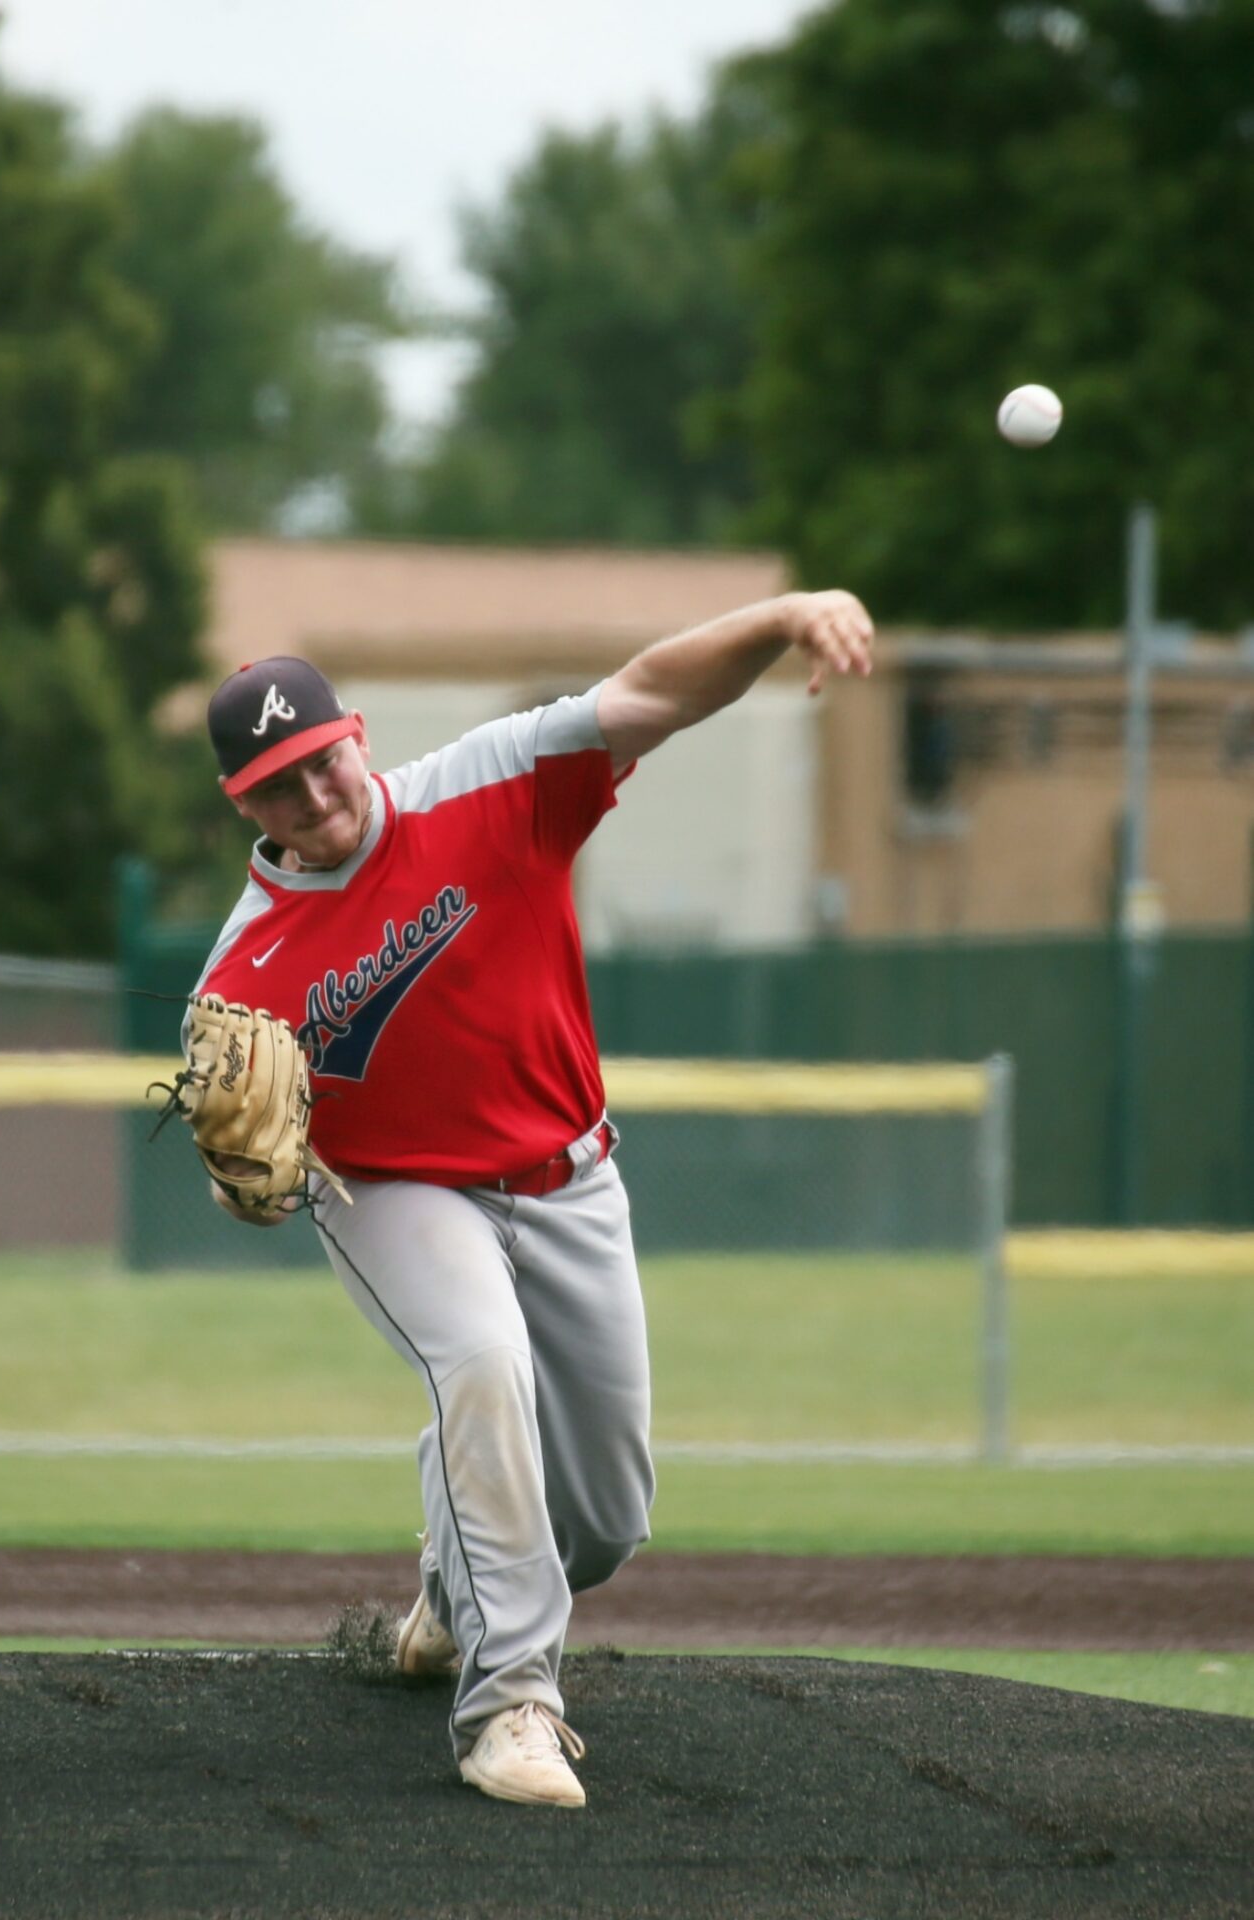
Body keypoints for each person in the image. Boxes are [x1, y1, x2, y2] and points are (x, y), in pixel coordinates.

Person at [193, 589, 875, 1807]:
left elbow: (655, 692)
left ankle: (451, 1595)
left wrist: (784, 615)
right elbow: (248, 1152)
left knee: (605, 1517)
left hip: (568, 1173)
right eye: (278, 789)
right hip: (396, 1192)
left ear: (354, 736)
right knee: (485, 1365)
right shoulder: (243, 975)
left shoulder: (487, 783)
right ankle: (510, 1704)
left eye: (320, 763)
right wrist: (239, 1175)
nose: (314, 799)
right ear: (243, 807)